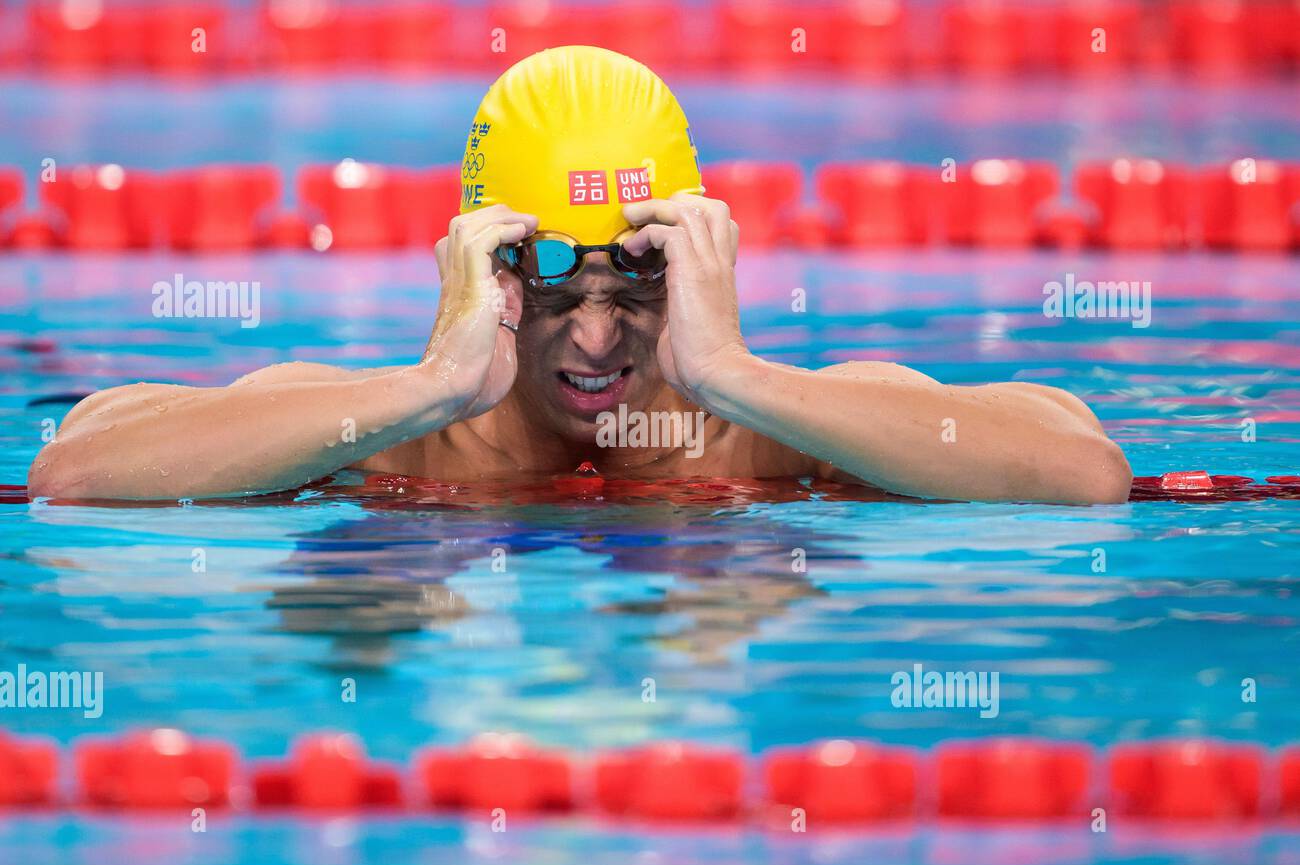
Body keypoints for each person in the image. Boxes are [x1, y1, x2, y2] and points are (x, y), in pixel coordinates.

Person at [27, 46, 1131, 505]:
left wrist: (733, 372)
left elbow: (1083, 470)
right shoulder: (390, 430)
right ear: (479, 268)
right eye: (551, 281)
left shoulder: (778, 425)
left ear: (695, 258)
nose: (597, 336)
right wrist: (426, 389)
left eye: (639, 278)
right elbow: (75, 470)